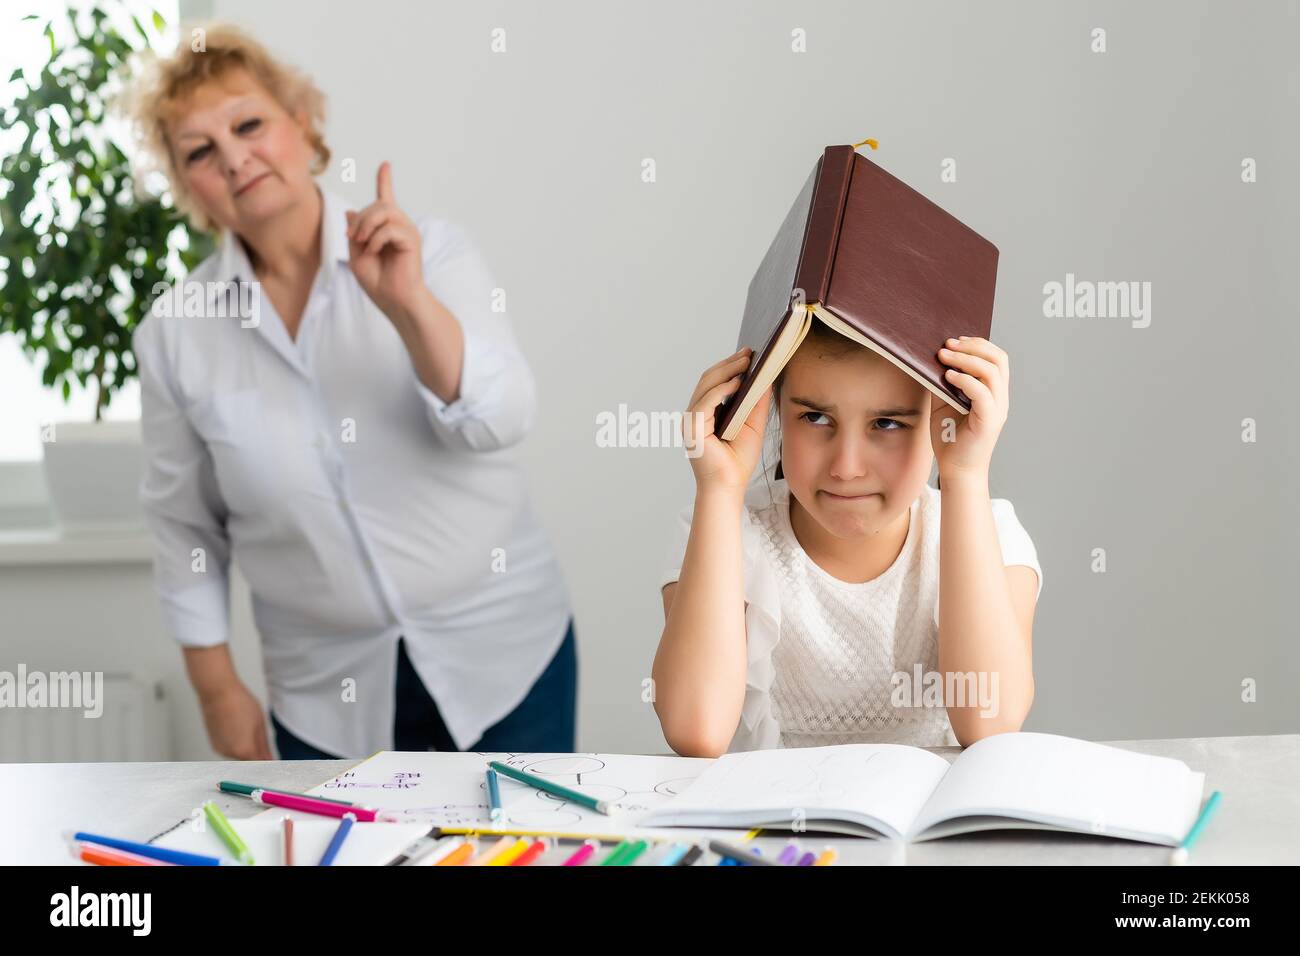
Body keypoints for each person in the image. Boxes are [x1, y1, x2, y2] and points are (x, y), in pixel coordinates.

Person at [125, 24, 575, 760]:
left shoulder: (430, 251)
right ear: (188, 188)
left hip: (504, 657)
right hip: (324, 696)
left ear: (301, 124)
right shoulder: (175, 335)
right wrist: (217, 690)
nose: (234, 159)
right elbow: (184, 528)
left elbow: (503, 417)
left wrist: (409, 307)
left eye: (249, 124)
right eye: (200, 152)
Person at [653, 324, 1042, 755]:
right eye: (816, 418)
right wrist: (719, 489)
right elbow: (696, 729)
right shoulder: (724, 528)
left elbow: (991, 724)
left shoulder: (992, 533)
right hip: (773, 821)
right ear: (772, 411)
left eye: (887, 423)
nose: (847, 467)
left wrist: (965, 475)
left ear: (941, 418)